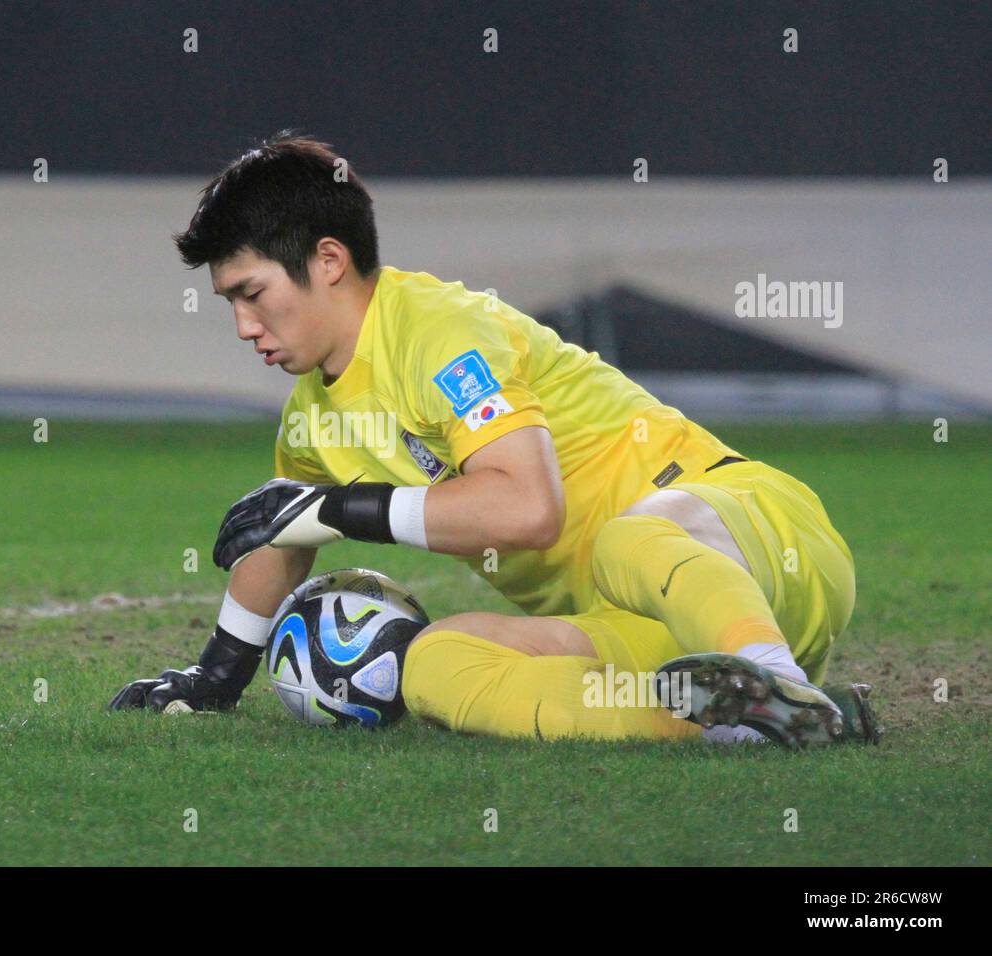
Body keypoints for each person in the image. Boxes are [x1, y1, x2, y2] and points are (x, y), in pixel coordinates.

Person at [109, 132, 880, 748]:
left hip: (748, 549)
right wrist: (215, 676)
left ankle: (775, 676)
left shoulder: (441, 333)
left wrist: (343, 508)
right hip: (647, 633)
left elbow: (527, 510)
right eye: (229, 303)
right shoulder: (313, 414)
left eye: (252, 293)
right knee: (434, 666)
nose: (243, 326)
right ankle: (737, 724)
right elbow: (287, 537)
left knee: (626, 540)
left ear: (329, 261)